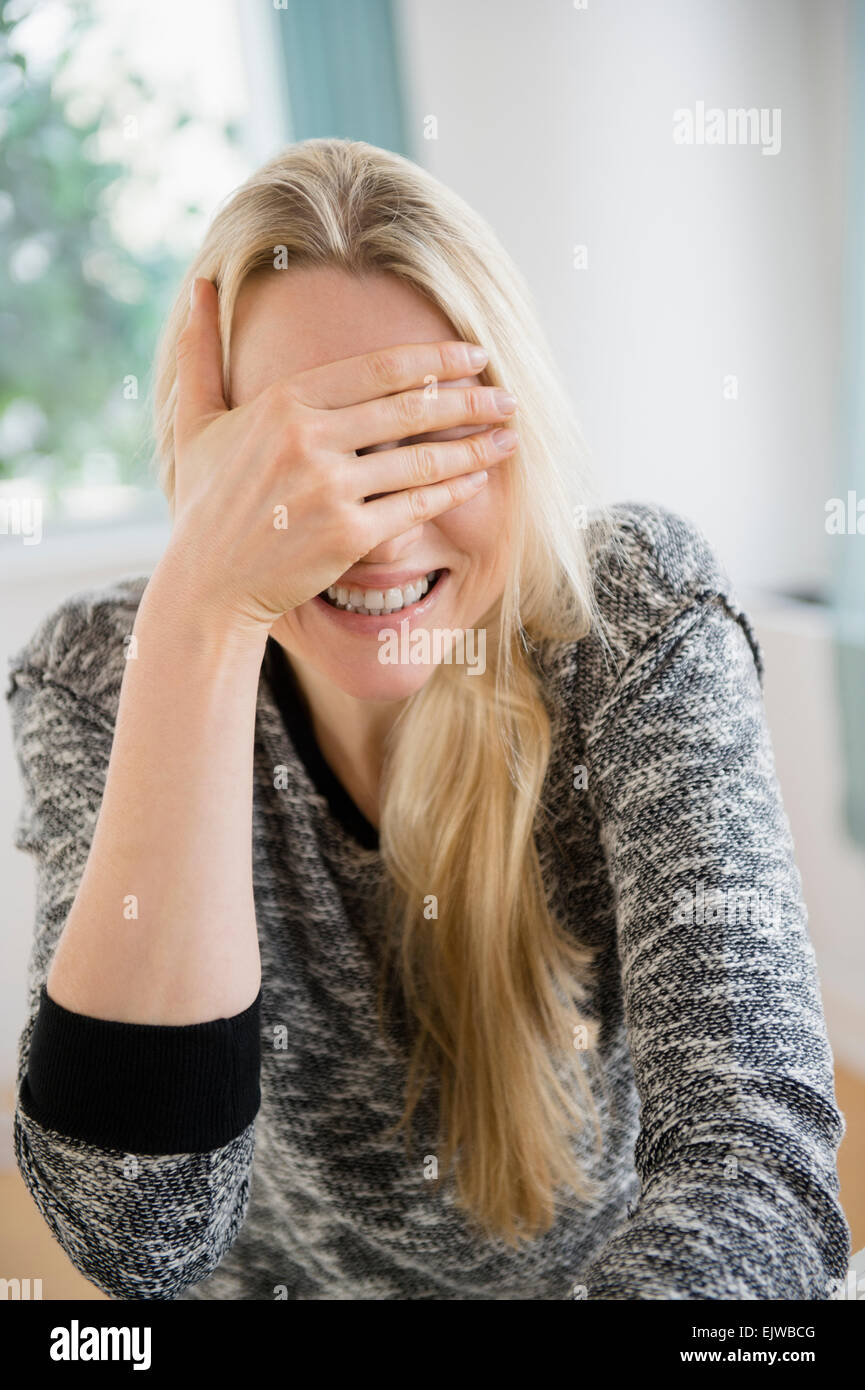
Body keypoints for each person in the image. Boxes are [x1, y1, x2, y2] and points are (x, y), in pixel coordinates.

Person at [7, 138, 850, 1300]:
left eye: (431, 444)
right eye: (308, 464)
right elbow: (134, 1236)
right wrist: (202, 612)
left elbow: (756, 1153)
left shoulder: (629, 618)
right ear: (215, 477)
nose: (380, 538)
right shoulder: (105, 672)